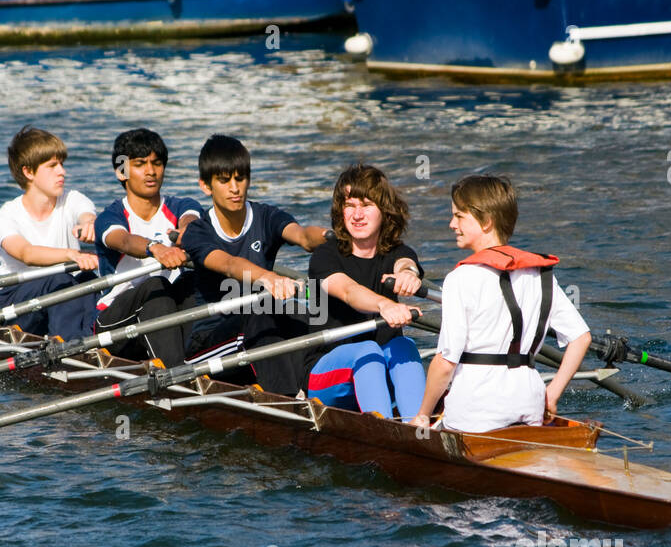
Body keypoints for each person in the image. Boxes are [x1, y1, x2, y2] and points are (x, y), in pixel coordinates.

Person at [413, 175, 591, 432]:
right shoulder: (541, 274)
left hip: (475, 409)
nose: (452, 224)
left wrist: (423, 414)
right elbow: (581, 337)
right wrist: (552, 394)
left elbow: (445, 363)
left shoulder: (460, 278)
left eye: (459, 216)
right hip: (530, 404)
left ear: (486, 221)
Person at [178, 134, 329, 392]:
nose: (235, 188)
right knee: (261, 312)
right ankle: (288, 400)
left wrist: (333, 237)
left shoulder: (266, 216)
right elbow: (228, 264)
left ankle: (321, 393)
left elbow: (303, 236)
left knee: (313, 312)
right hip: (210, 343)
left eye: (240, 178)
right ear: (206, 186)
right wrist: (267, 278)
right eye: (224, 181)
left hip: (258, 328)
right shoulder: (198, 232)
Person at [305, 164, 425, 419]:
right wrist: (385, 305)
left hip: (375, 372)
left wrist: (408, 276)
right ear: (340, 211)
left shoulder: (396, 252)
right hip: (324, 376)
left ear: (384, 211)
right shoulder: (325, 256)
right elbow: (349, 292)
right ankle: (384, 434)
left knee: (404, 346)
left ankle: (419, 426)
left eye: (367, 205)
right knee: (368, 350)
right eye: (350, 205)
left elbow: (406, 264)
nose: (357, 215)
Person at [92, 128, 203, 366]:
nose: (151, 171)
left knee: (194, 283)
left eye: (157, 163)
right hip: (115, 324)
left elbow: (191, 219)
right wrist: (156, 248)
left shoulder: (182, 205)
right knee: (156, 286)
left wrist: (188, 232)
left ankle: (201, 363)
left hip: (167, 313)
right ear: (122, 171)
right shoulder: (109, 217)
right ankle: (178, 377)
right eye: (140, 164)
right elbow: (123, 241)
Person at [0, 126, 101, 341]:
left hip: (64, 297)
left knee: (88, 279)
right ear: (28, 172)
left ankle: (86, 343)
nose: (62, 172)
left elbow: (87, 215)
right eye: (52, 166)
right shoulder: (3, 216)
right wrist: (71, 255)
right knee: (58, 278)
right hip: (13, 305)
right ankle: (70, 348)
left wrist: (89, 225)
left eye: (62, 164)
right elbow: (26, 253)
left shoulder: (73, 199)